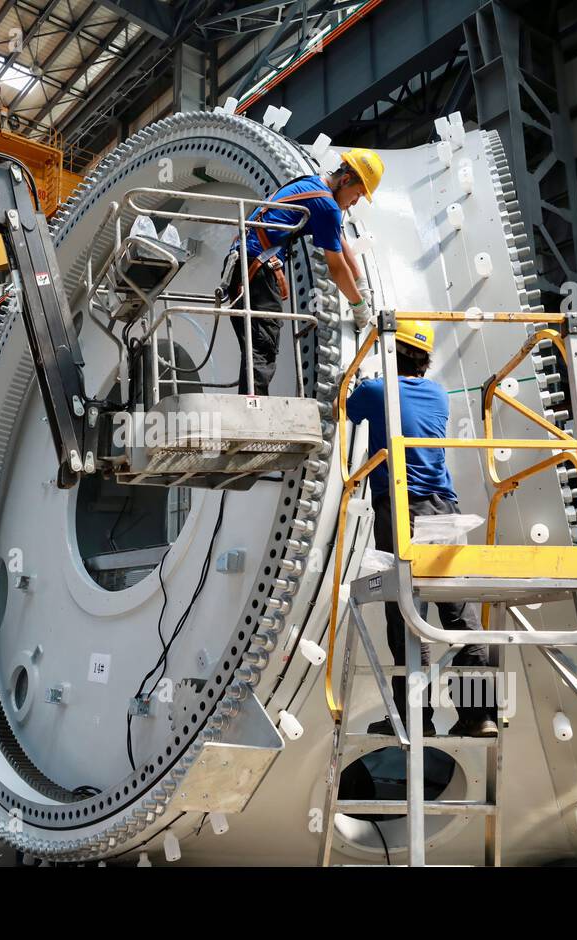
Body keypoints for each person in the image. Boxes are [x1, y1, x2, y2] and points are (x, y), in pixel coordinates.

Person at [345, 319, 496, 737]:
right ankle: (479, 716)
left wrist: (361, 378)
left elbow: (346, 407)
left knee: (407, 616)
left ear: (391, 353)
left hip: (400, 510)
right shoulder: (439, 394)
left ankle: (415, 720)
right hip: (445, 509)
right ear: (426, 359)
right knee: (460, 616)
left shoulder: (377, 392)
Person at [219, 148, 384, 395]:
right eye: (357, 194)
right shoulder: (327, 205)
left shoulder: (313, 185)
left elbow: (339, 238)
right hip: (258, 272)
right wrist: (359, 306)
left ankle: (251, 404)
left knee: (257, 346)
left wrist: (360, 280)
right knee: (262, 346)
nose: (355, 202)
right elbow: (336, 267)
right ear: (346, 179)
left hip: (242, 266)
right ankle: (254, 411)